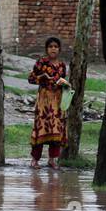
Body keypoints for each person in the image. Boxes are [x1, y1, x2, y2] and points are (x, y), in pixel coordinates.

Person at [27, 36, 70, 168]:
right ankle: (35, 160)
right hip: (44, 101)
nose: (53, 49)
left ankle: (52, 159)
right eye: (50, 46)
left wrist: (66, 84)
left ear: (59, 49)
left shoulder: (62, 65)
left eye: (56, 47)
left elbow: (63, 81)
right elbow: (31, 79)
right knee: (41, 128)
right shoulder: (41, 63)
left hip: (58, 101)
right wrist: (42, 77)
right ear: (46, 49)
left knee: (57, 129)